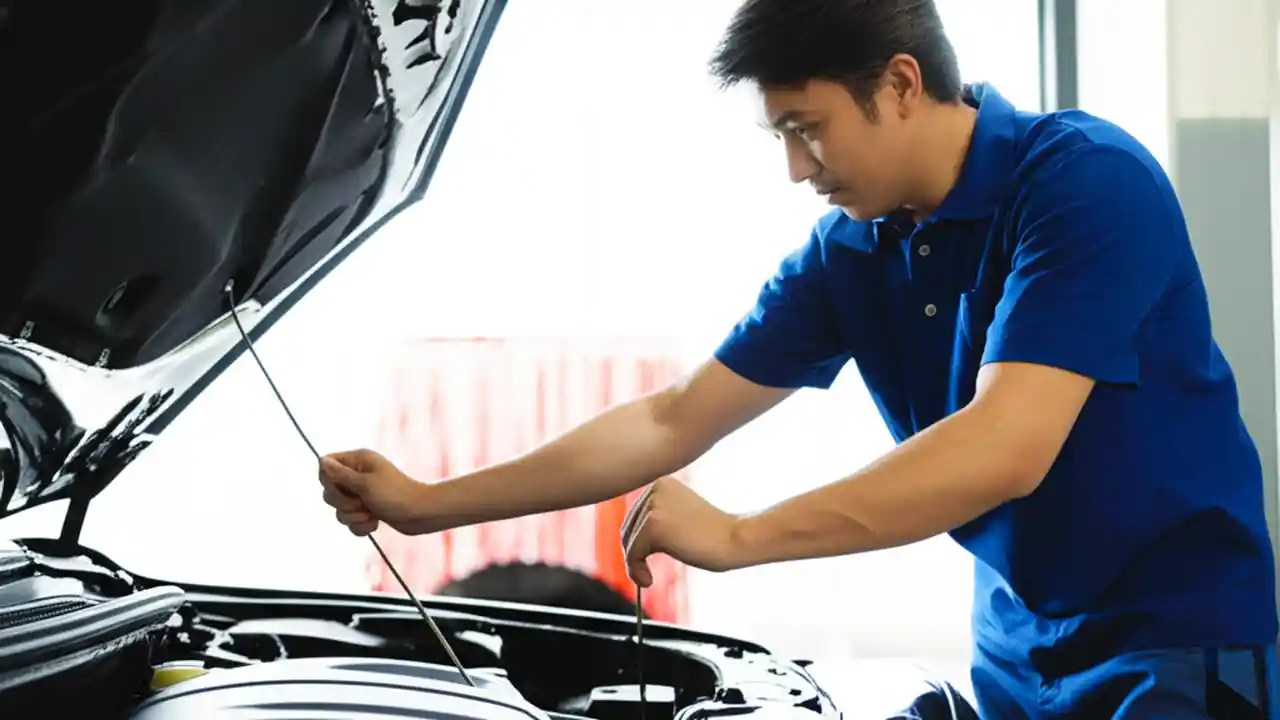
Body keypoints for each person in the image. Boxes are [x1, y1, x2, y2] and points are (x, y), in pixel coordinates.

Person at [317, 0, 1280, 717]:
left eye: (805, 129)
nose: (795, 168)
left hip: (1172, 641)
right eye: (781, 134)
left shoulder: (1082, 184)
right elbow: (668, 421)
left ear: (901, 85)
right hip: (1016, 641)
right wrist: (425, 503)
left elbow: (1004, 447)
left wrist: (739, 536)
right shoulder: (853, 251)